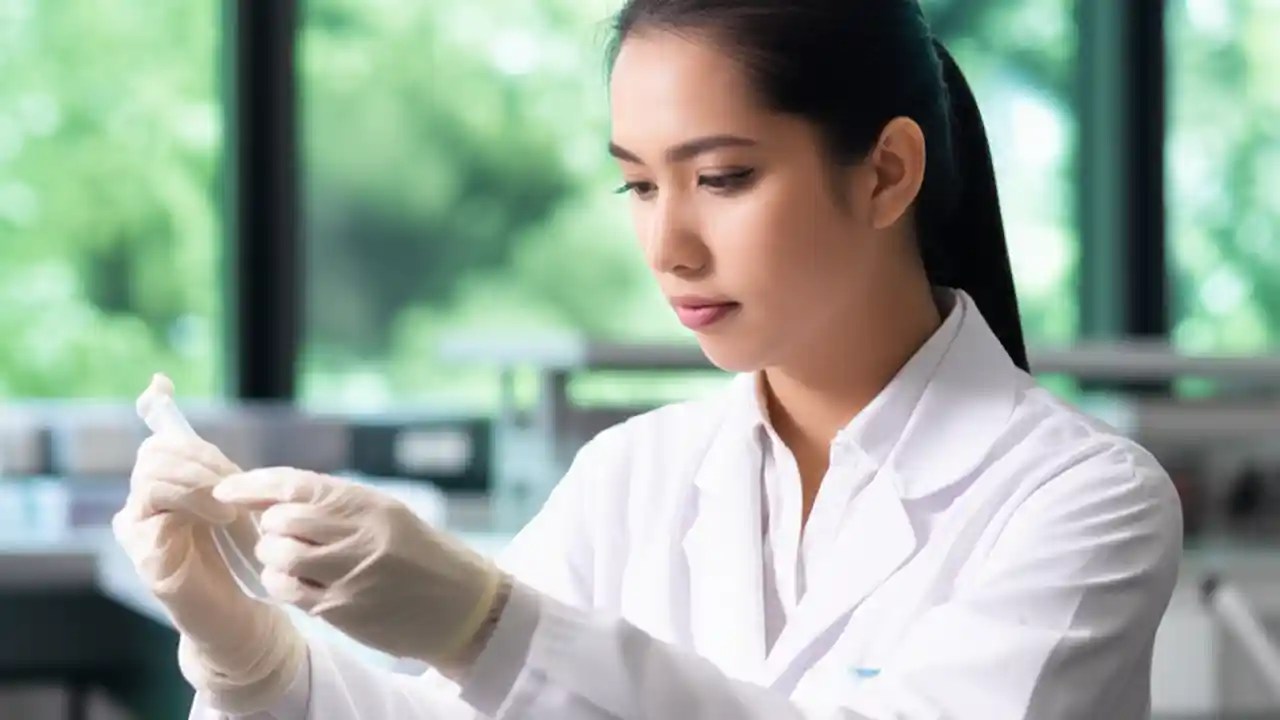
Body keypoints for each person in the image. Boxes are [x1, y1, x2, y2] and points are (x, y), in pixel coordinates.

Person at [112, 1, 1184, 718]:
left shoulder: (1079, 501)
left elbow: (514, 662)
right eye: (636, 183)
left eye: (719, 177)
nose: (666, 244)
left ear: (885, 172)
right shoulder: (635, 473)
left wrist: (484, 621)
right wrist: (252, 655)